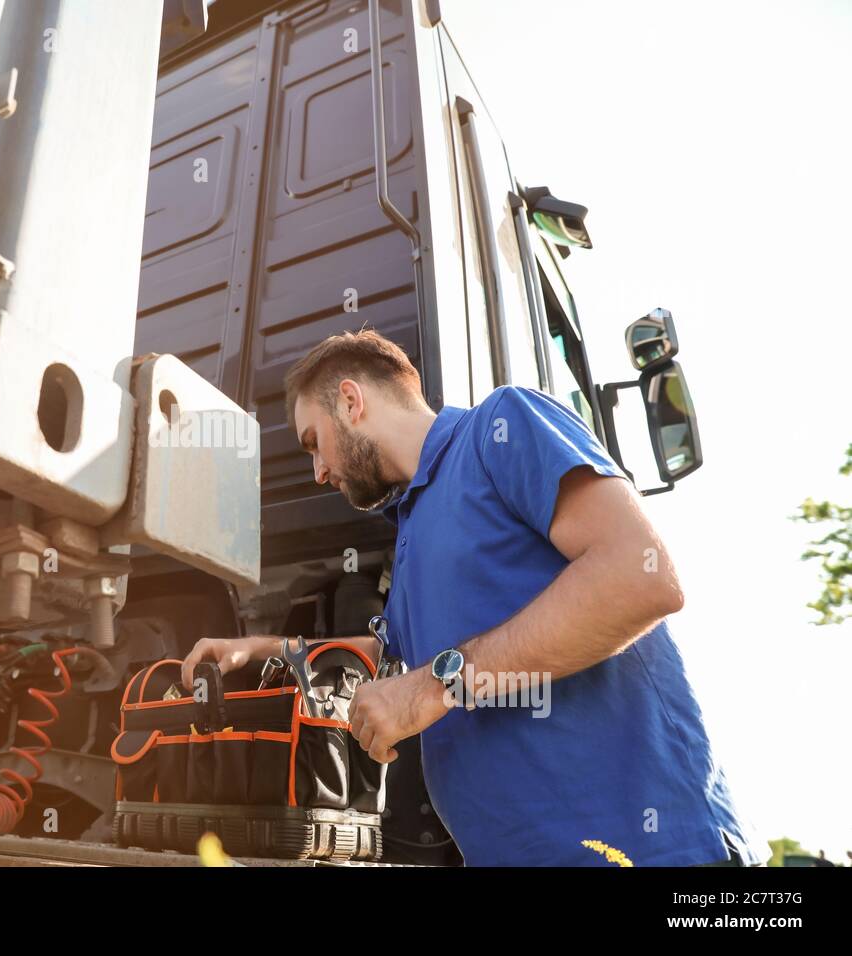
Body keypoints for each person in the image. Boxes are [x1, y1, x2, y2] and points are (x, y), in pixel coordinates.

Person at [182, 329, 766, 867]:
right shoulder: (410, 533)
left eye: (314, 442)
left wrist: (433, 687)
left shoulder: (501, 426)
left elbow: (641, 577)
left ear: (352, 401)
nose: (316, 471)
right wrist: (257, 649)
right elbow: (394, 661)